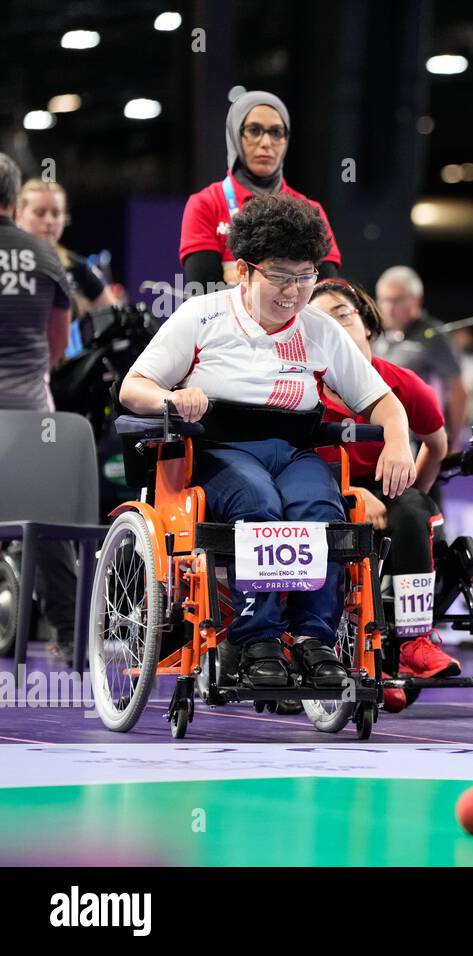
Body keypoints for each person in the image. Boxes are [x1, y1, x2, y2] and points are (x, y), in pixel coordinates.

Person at [120, 195, 415, 689]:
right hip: (219, 450)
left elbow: (383, 401)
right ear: (243, 270)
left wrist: (399, 442)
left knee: (320, 511)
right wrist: (173, 400)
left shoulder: (320, 330)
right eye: (280, 275)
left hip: (293, 451)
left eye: (305, 276)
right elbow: (133, 388)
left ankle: (314, 639)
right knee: (259, 505)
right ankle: (256, 639)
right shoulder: (202, 316)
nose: (294, 291)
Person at [307, 278, 460, 692]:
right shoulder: (305, 389)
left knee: (414, 511)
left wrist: (414, 492)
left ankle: (414, 641)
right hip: (324, 491)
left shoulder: (403, 382)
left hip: (387, 487)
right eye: (323, 326)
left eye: (343, 317)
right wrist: (354, 495)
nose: (338, 330)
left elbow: (437, 444)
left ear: (369, 325)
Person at [0, 152, 77, 662]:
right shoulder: (46, 257)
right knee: (45, 525)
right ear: (12, 199)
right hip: (31, 414)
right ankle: (71, 636)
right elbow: (56, 348)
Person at [179, 90, 342, 290]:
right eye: (254, 130)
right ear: (235, 134)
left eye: (276, 132)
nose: (266, 143)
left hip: (295, 322)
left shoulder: (310, 210)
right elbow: (205, 292)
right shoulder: (206, 203)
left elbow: (325, 292)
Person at [372, 266, 468, 448]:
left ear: (416, 300)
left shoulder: (434, 336)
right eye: (384, 300)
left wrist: (453, 443)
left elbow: (458, 390)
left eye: (396, 300)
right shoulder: (376, 333)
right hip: (379, 430)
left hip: (416, 438)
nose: (389, 308)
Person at [14, 180, 120, 319]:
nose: (49, 221)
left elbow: (117, 317)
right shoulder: (6, 261)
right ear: (18, 216)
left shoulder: (77, 267)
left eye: (56, 213)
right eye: (40, 213)